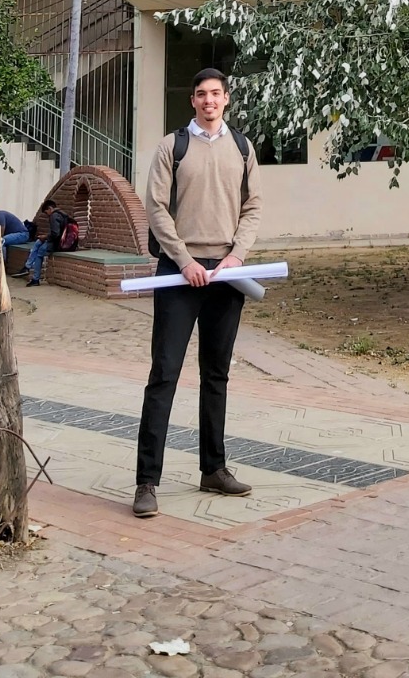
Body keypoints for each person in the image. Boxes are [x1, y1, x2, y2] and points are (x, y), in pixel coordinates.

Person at [133, 67, 262, 519]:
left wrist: (237, 257)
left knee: (216, 375)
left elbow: (253, 206)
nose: (209, 101)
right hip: (179, 273)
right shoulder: (173, 147)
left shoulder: (243, 147)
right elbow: (155, 207)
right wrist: (184, 260)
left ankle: (214, 468)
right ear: (193, 100)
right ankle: (147, 481)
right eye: (201, 94)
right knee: (164, 375)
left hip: (226, 274)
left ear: (226, 99)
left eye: (216, 94)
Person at [21, 199, 69, 286]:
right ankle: (27, 266)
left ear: (50, 208)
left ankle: (35, 278)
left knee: (40, 253)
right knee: (38, 242)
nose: (47, 215)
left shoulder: (54, 216)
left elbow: (55, 234)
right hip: (61, 241)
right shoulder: (63, 214)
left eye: (47, 212)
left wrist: (45, 237)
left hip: (57, 243)